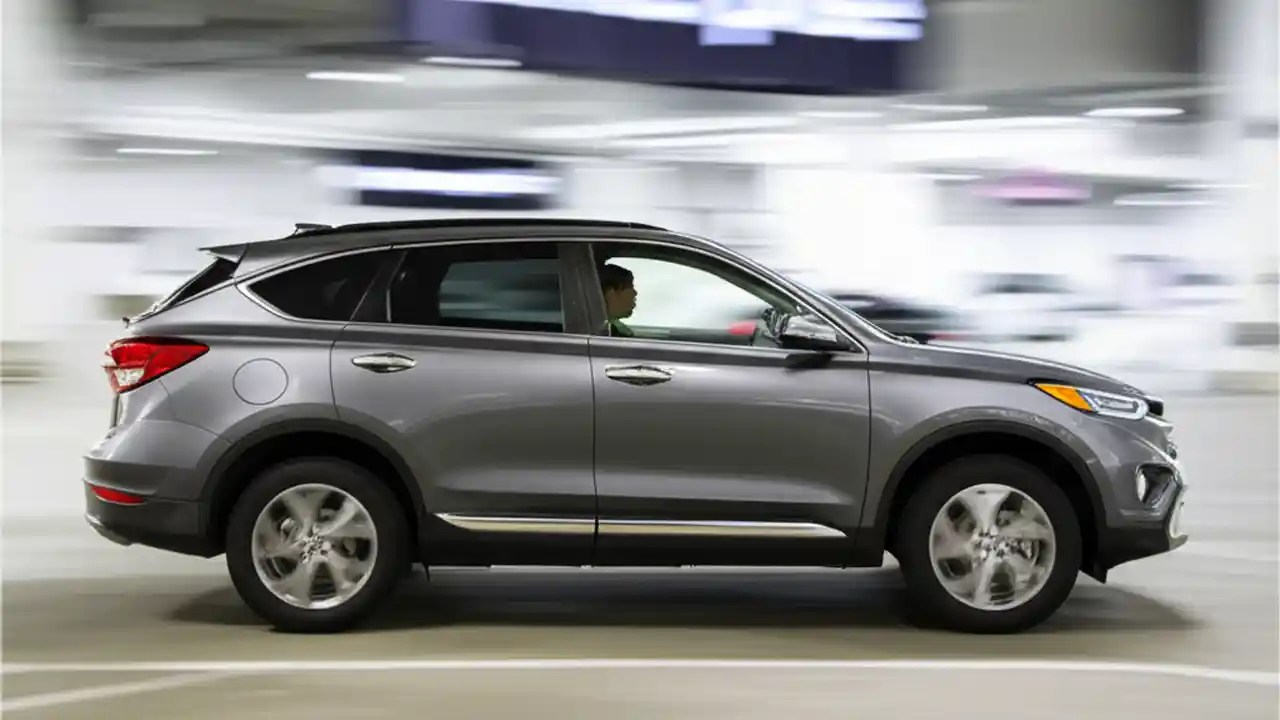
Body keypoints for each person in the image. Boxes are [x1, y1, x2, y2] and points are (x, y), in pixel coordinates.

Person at [598, 263, 637, 337]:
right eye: (630, 287)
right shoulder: (611, 333)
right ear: (611, 293)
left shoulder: (612, 329)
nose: (635, 293)